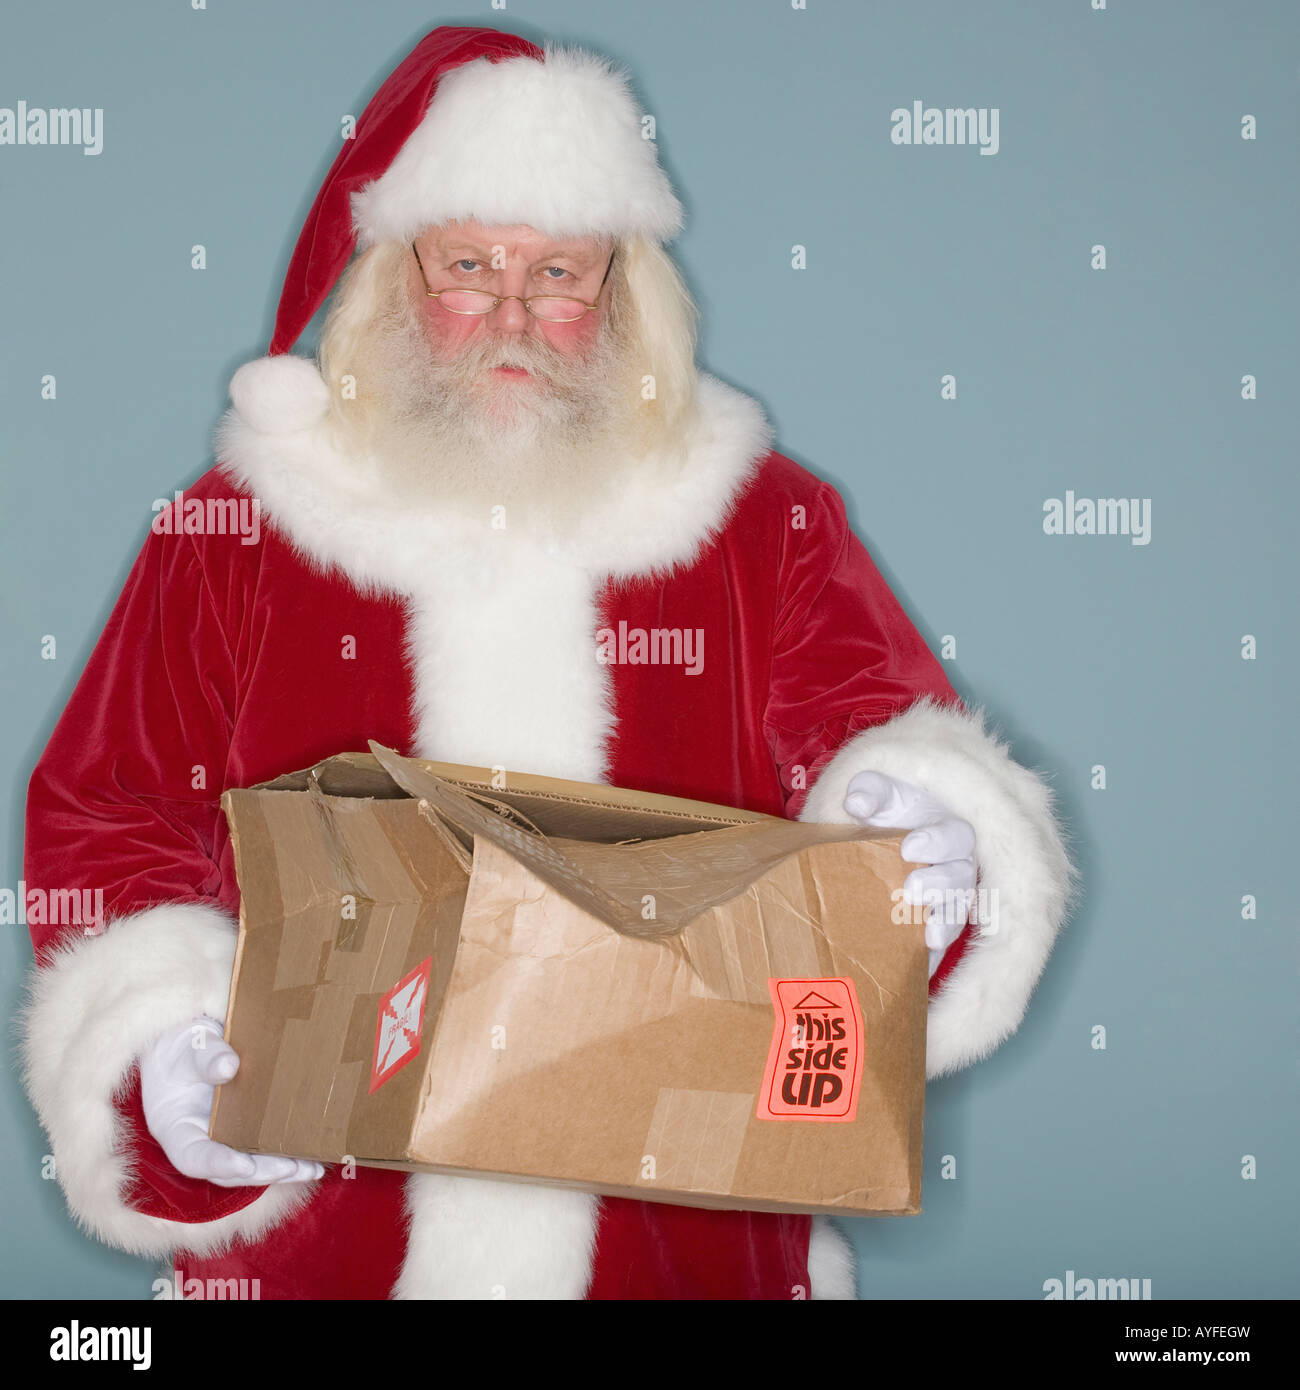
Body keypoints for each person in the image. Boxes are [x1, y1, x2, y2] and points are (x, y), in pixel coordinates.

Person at [19, 24, 1075, 1300]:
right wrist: (157, 1051)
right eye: (469, 265)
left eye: (560, 274)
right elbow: (110, 808)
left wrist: (926, 846)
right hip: (332, 1252)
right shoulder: (241, 529)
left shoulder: (758, 518)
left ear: (621, 294)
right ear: (394, 277)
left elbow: (869, 756)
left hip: (678, 1247)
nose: (512, 316)